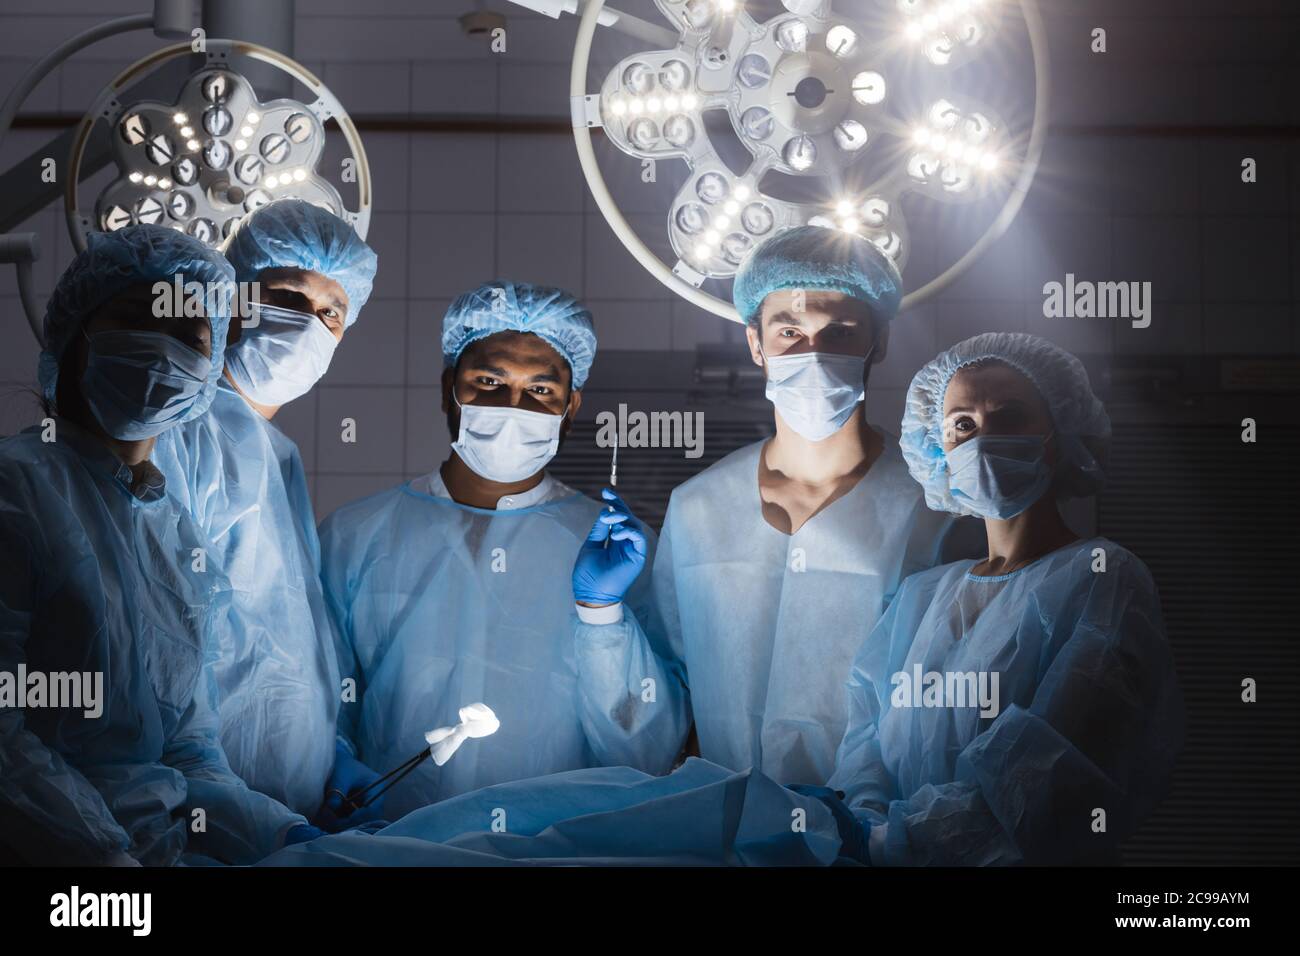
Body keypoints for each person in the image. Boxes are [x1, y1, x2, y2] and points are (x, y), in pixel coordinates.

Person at [570, 226, 956, 785]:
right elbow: (654, 729)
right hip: (726, 831)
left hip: (875, 841)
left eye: (840, 333)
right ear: (755, 344)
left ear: (882, 342)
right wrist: (601, 615)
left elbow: (952, 710)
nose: (814, 355)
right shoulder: (699, 508)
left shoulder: (936, 509)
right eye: (790, 332)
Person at [0, 225, 318, 865]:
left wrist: (274, 832)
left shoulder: (169, 526)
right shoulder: (18, 489)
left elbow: (187, 747)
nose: (161, 349)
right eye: (135, 320)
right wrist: (107, 858)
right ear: (74, 337)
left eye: (188, 336)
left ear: (208, 373)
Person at [318, 282, 684, 820]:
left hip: (555, 847)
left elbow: (646, 750)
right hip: (390, 843)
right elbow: (322, 702)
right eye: (488, 382)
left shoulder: (613, 549)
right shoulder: (356, 535)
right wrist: (334, 760)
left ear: (572, 406)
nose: (512, 406)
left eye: (540, 391)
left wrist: (603, 617)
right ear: (449, 389)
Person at [819, 332, 1184, 865]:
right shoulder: (922, 596)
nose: (982, 439)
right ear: (937, 448)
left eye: (1010, 416)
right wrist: (867, 825)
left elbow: (1053, 771)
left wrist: (896, 841)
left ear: (1057, 436)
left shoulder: (1101, 578)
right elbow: (864, 745)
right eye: (962, 424)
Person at [152, 199, 381, 829]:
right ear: (232, 298)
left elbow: (281, 635)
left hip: (284, 807)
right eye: (285, 295)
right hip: (200, 817)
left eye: (330, 312)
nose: (307, 323)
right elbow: (156, 647)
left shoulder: (278, 456)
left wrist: (328, 750)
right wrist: (228, 811)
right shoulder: (177, 432)